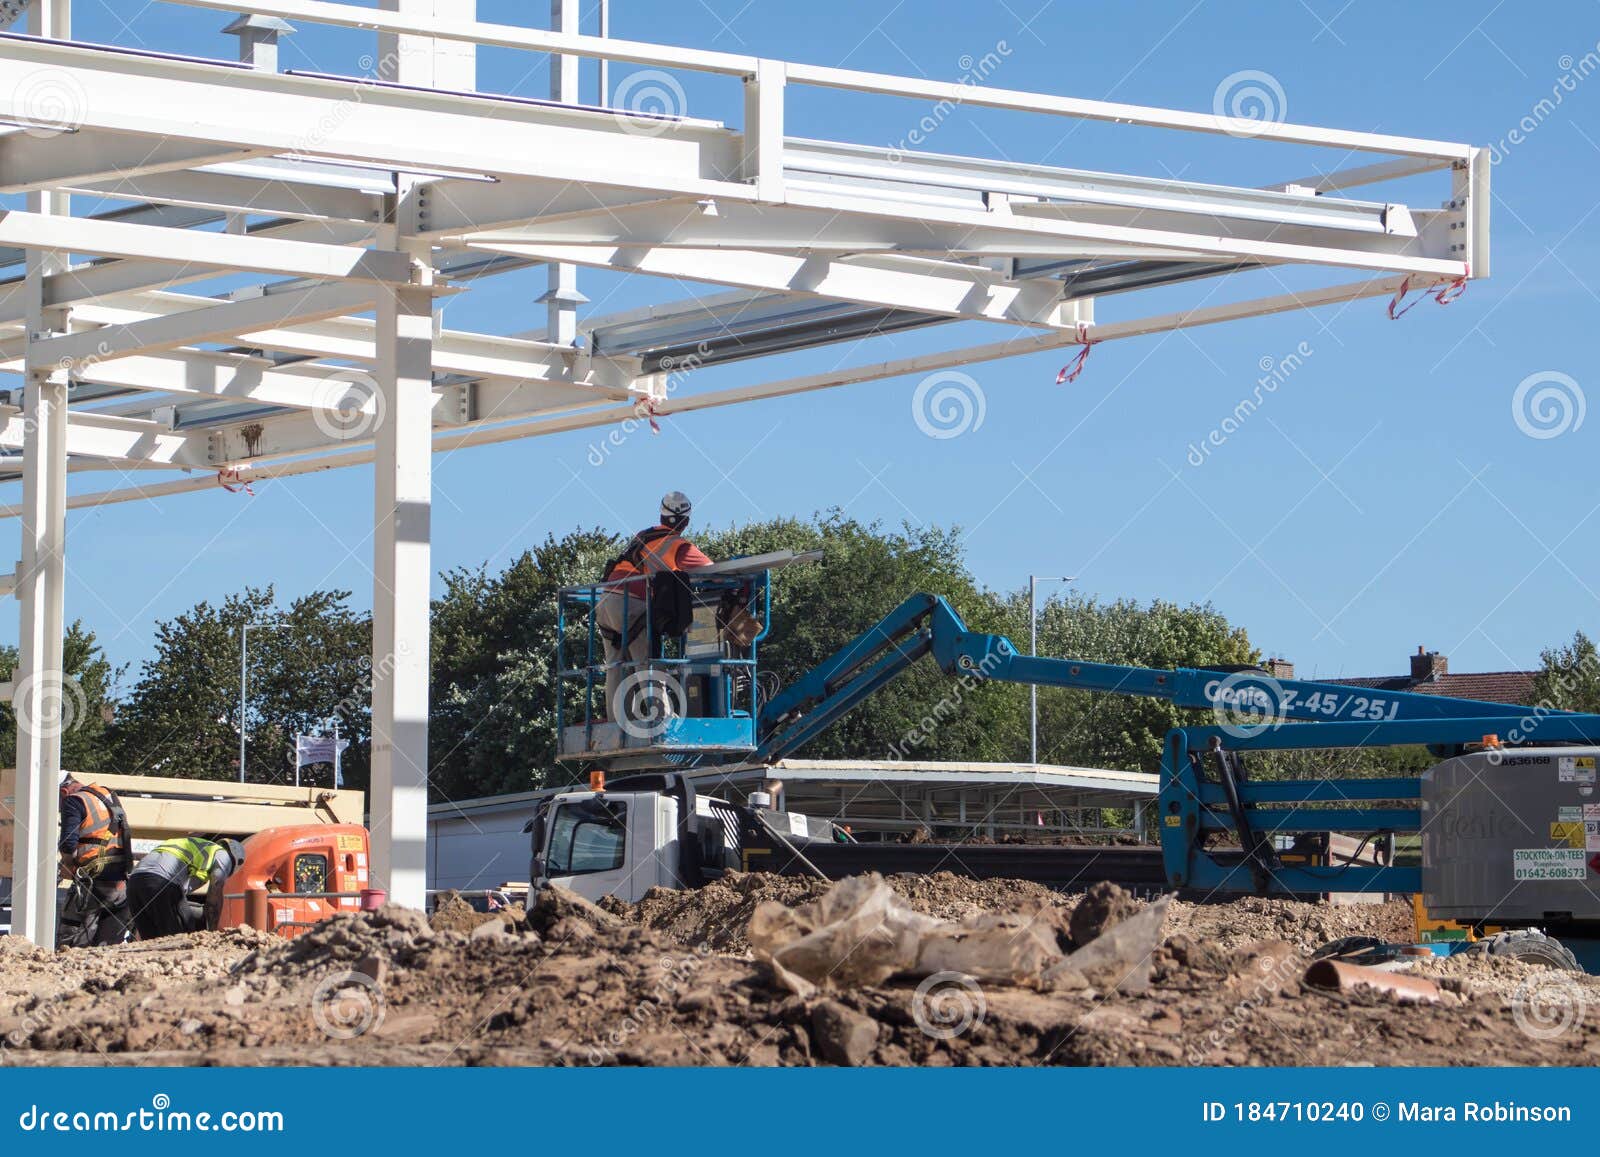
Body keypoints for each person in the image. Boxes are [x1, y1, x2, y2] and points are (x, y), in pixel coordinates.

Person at [595, 491, 713, 723]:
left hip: (605, 601)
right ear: (687, 521)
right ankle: (663, 719)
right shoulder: (679, 545)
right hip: (630, 603)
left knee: (615, 667)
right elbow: (711, 569)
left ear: (661, 515)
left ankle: (616, 722)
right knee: (647, 663)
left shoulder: (644, 536)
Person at [56, 772, 134, 948]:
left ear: (63, 792)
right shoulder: (108, 795)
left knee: (72, 944)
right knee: (108, 947)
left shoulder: (74, 800)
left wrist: (67, 865)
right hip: (120, 885)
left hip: (91, 886)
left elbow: (68, 843)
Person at [126, 835, 246, 940]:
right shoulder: (223, 855)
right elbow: (214, 897)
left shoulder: (195, 846)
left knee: (152, 941)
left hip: (134, 884)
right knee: (180, 935)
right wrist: (212, 932)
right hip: (163, 881)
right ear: (235, 861)